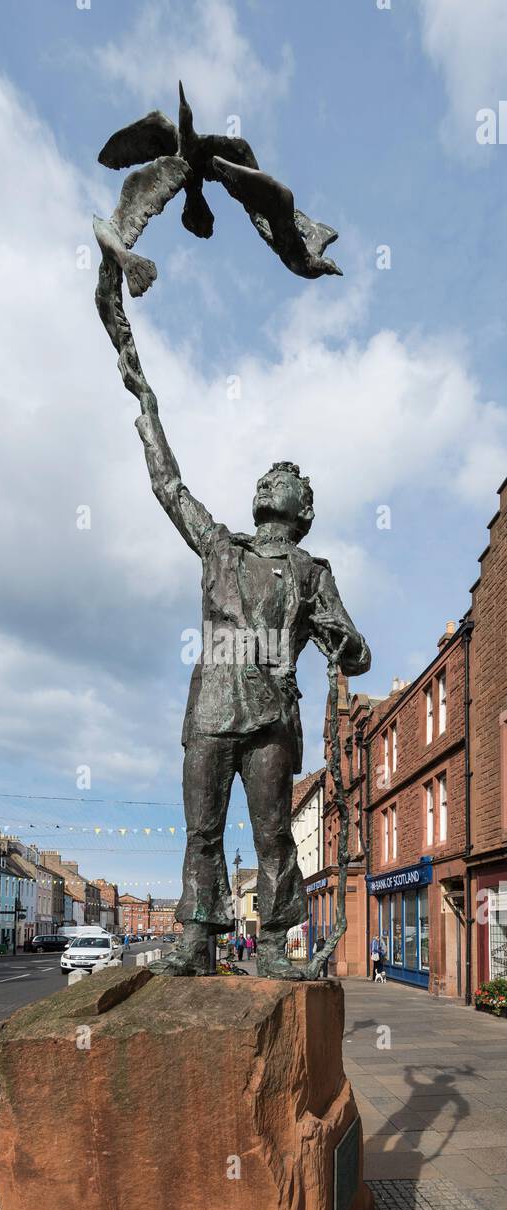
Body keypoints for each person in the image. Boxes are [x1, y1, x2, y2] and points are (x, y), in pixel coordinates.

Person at [129, 373, 370, 979]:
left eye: (282, 481)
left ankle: (271, 945)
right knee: (201, 831)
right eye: (264, 478)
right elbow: (169, 487)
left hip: (268, 716)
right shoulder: (220, 548)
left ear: (303, 508)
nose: (267, 482)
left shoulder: (312, 573)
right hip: (211, 708)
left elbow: (356, 652)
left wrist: (342, 641)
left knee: (272, 838)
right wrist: (149, 411)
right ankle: (197, 941)